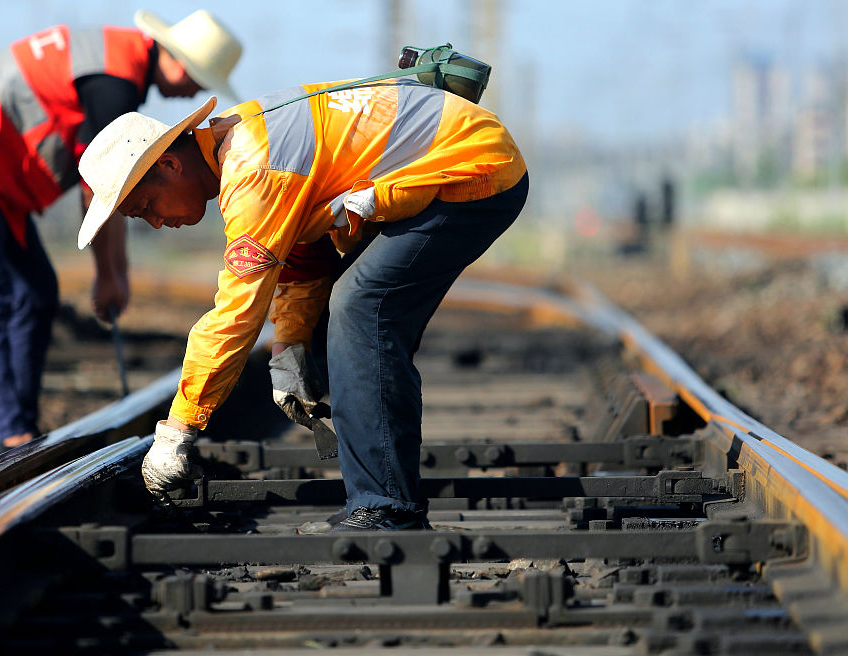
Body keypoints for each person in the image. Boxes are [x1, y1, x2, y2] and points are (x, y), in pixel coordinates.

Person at [77, 72, 528, 531]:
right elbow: (303, 256)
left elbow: (236, 312)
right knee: (362, 308)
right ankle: (378, 498)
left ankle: (385, 508)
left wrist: (178, 429)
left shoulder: (253, 169)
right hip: (456, 159)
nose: (154, 222)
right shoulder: (245, 142)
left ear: (171, 166)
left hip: (472, 168)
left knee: (361, 310)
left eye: (146, 205)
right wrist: (289, 348)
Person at [0, 10, 243, 456]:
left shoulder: (117, 64)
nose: (195, 93)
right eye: (199, 80)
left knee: (36, 292)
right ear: (179, 63)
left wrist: (112, 272)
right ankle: (5, 432)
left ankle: (19, 428)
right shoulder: (112, 82)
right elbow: (104, 189)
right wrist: (110, 273)